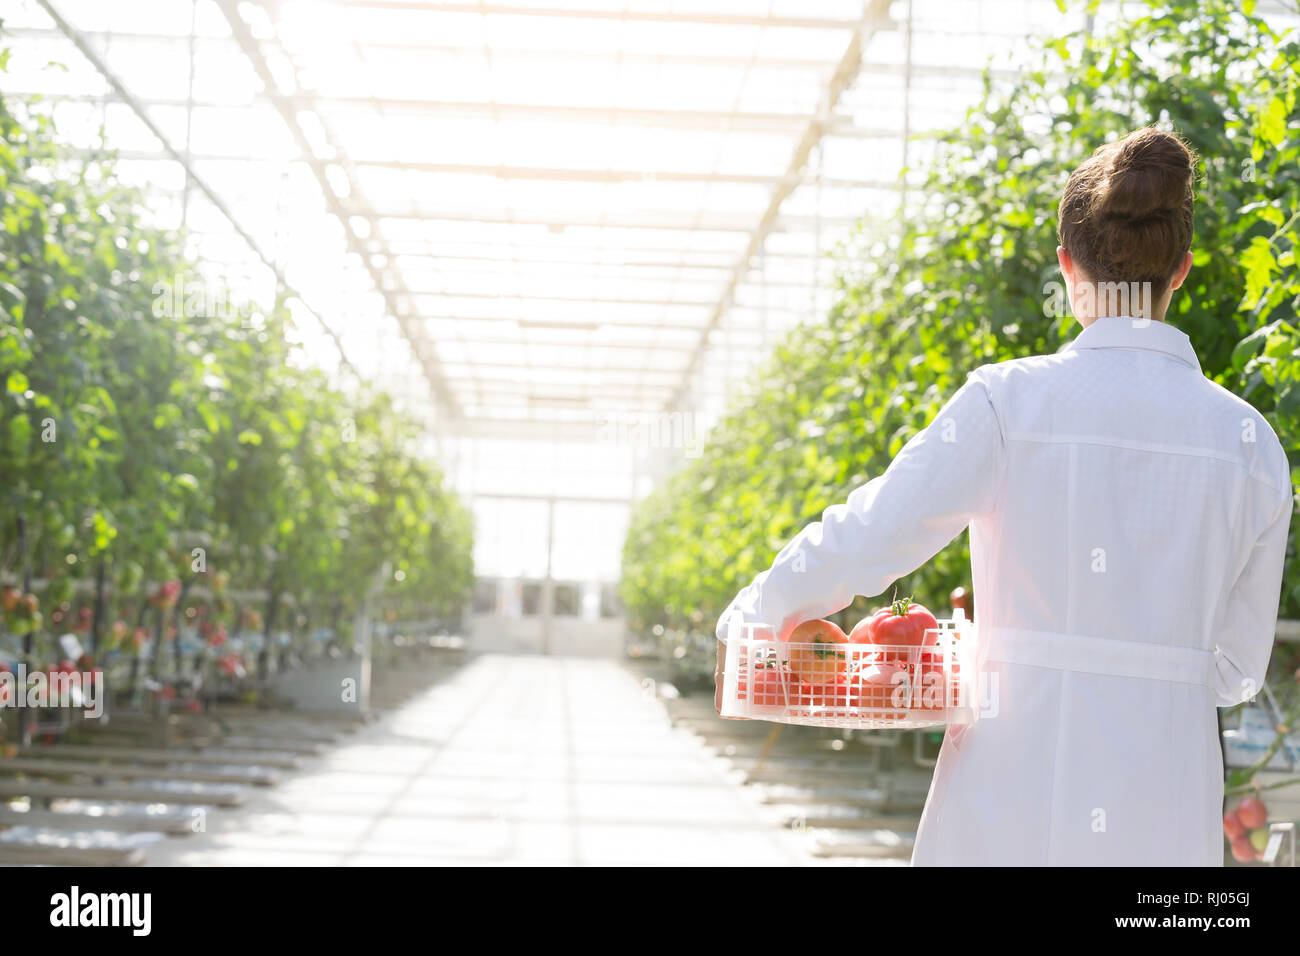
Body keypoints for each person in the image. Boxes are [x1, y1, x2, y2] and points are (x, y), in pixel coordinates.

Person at [713, 127, 1293, 866]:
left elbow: (875, 532)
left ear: (1066, 266)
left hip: (1007, 788)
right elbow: (1237, 668)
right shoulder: (1250, 445)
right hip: (1165, 804)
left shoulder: (1007, 405)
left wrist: (756, 617)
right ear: (1180, 270)